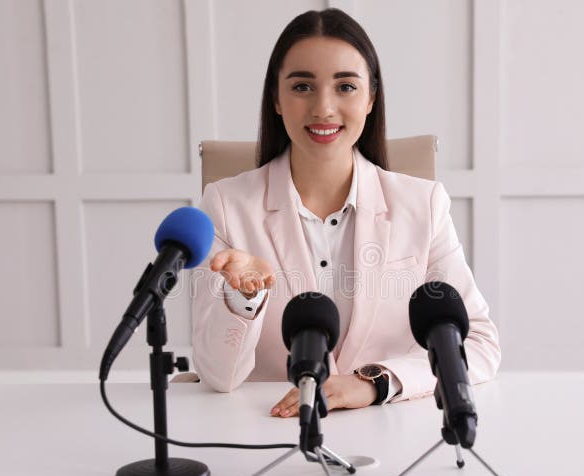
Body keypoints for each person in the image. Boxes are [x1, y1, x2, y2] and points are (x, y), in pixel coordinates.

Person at [191, 8, 499, 418]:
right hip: (268, 434)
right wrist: (243, 296)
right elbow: (217, 376)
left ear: (371, 97)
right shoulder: (227, 205)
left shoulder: (423, 204)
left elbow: (478, 344)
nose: (323, 108)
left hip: (388, 435)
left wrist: (375, 382)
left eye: (346, 87)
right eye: (302, 86)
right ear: (276, 99)